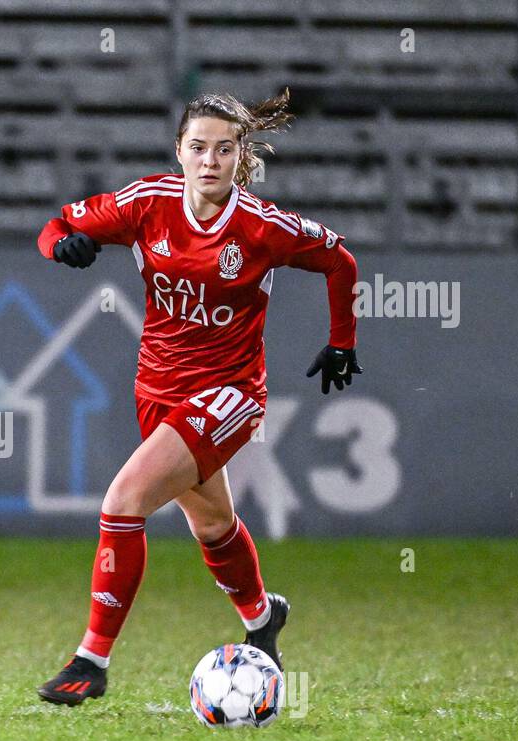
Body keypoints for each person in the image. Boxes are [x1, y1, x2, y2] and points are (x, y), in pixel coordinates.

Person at [34, 89, 362, 706]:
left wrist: (341, 342)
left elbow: (339, 260)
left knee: (123, 502)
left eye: (224, 149)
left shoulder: (263, 227)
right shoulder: (146, 204)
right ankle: (263, 616)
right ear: (179, 151)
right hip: (157, 390)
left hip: (230, 392)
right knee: (211, 523)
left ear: (242, 156)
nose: (210, 160)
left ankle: (91, 661)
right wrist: (62, 246)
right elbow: (56, 226)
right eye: (198, 147)